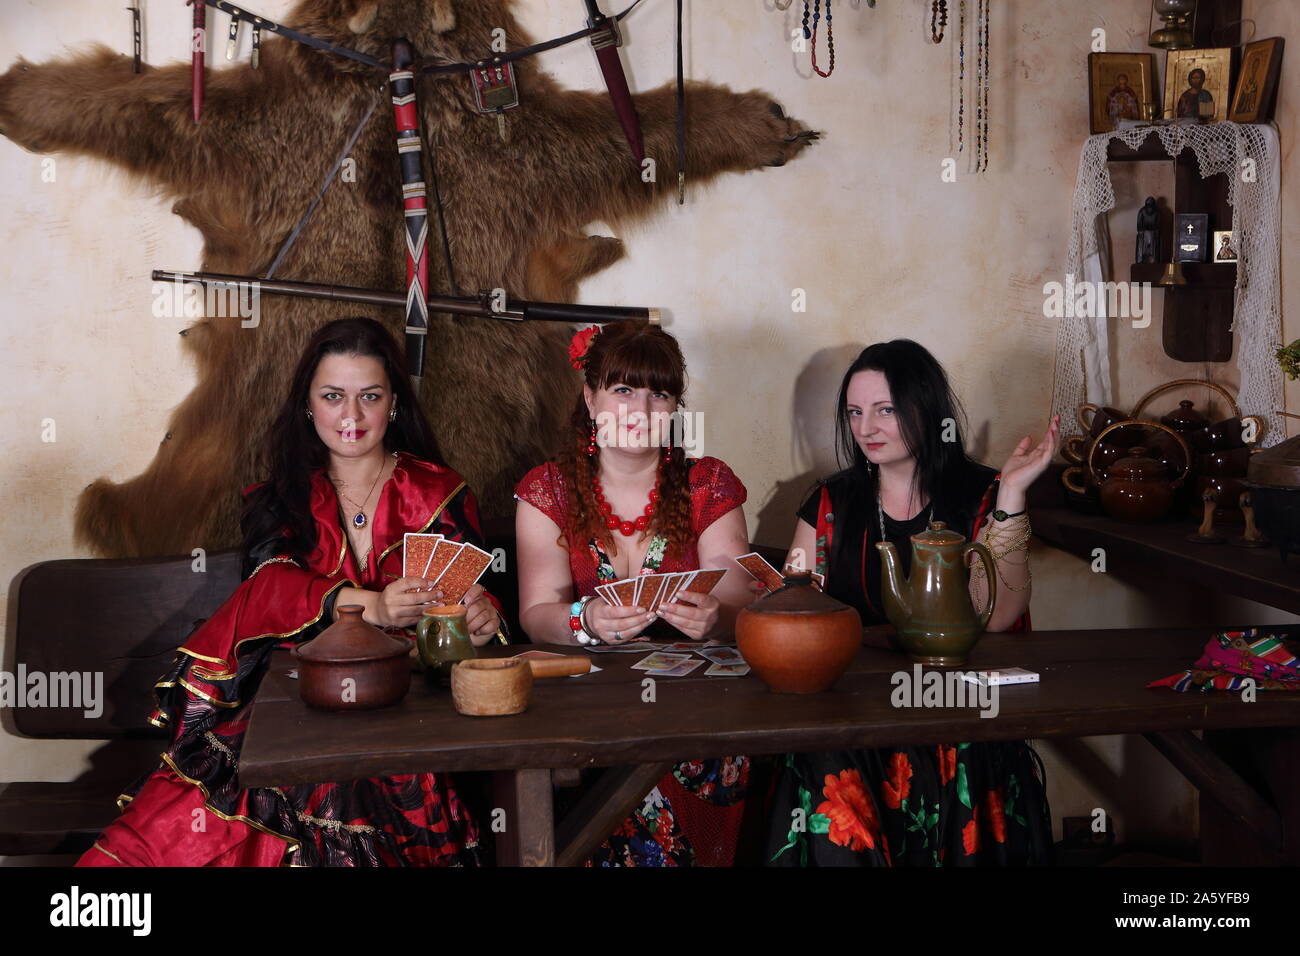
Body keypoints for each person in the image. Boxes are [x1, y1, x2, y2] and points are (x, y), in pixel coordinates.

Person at [79, 317, 502, 867]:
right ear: (308, 403)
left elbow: (468, 604)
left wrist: (484, 619)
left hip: (408, 713)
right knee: (162, 840)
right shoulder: (277, 498)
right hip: (289, 706)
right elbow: (269, 585)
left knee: (373, 782)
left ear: (393, 403)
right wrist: (370, 604)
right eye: (333, 397)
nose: (351, 416)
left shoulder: (441, 494)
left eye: (369, 396)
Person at [765, 340, 1059, 866]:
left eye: (885, 410)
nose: (866, 428)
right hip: (854, 709)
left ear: (926, 407)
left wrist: (1012, 497)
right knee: (823, 756)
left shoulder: (982, 492)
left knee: (957, 754)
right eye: (855, 412)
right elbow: (796, 600)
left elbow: (998, 619)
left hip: (960, 711)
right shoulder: (831, 502)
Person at [514, 322, 752, 866]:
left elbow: (740, 602)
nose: (640, 409)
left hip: (694, 710)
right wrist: (586, 620)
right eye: (623, 390)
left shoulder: (708, 484)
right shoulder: (546, 490)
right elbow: (535, 614)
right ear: (589, 396)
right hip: (588, 708)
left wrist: (716, 618)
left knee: (720, 755)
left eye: (659, 393)